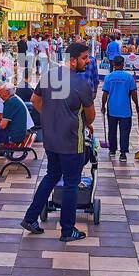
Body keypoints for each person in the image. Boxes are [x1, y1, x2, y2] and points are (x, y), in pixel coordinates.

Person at [21, 42, 96, 243]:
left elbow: (35, 100)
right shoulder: (82, 84)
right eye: (84, 58)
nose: (87, 61)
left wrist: (49, 116)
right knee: (71, 183)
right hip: (72, 140)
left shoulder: (49, 76)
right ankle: (68, 229)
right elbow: (90, 117)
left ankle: (30, 218)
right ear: (73, 60)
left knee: (51, 176)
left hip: (51, 140)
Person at [101, 56, 139, 161]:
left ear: (113, 64)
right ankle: (123, 153)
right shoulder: (129, 77)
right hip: (125, 109)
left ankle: (112, 150)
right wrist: (136, 104)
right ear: (123, 64)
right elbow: (133, 93)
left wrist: (103, 106)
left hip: (112, 108)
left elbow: (105, 93)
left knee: (112, 130)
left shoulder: (108, 77)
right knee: (125, 132)